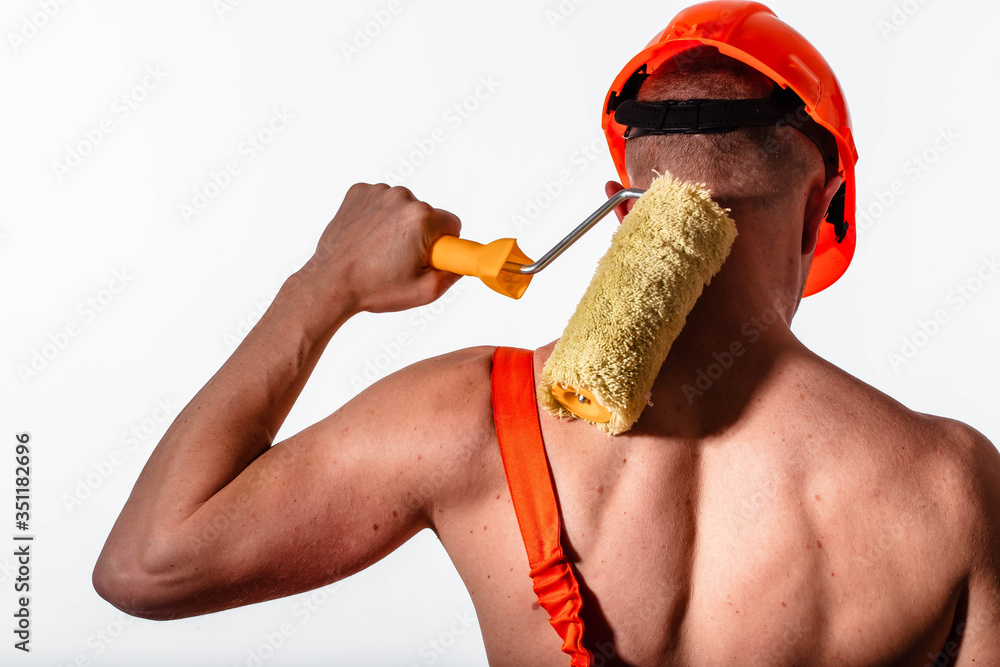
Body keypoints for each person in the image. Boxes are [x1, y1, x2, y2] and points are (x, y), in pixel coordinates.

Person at [93, 2, 1000, 665]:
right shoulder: (951, 485)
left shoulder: (470, 417)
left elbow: (145, 565)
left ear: (623, 209)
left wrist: (324, 284)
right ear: (817, 210)